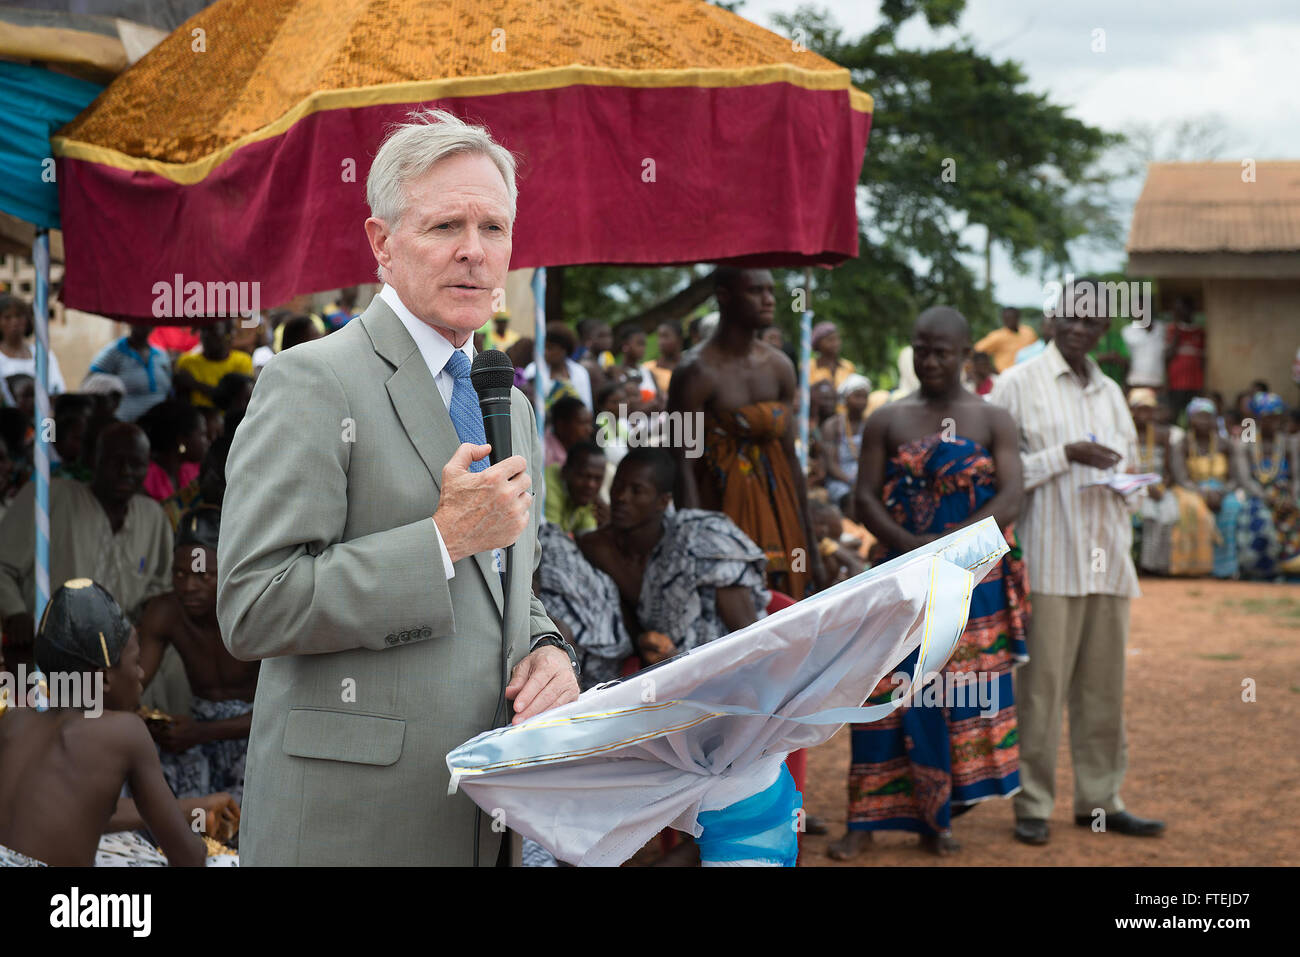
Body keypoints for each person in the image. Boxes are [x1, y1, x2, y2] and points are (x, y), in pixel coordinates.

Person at [217, 108, 579, 867]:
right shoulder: (312, 380)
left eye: (494, 230)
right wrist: (440, 540)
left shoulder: (504, 399)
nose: (476, 254)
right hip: (351, 827)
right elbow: (254, 604)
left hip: (486, 819)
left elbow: (504, 580)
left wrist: (546, 649)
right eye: (447, 226)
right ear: (382, 242)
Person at [829, 306, 1026, 859]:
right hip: (898, 577)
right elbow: (864, 497)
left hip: (971, 579)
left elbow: (1012, 495)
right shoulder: (888, 418)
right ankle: (862, 821)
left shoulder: (992, 419)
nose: (930, 360)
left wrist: (954, 546)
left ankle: (938, 819)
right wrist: (912, 548)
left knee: (949, 698)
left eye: (942, 351)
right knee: (882, 692)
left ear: (966, 355)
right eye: (921, 348)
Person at [988, 278, 1164, 846]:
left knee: (1103, 690)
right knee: (1040, 691)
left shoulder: (1110, 391)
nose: (1078, 328)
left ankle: (1102, 800)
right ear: (1051, 318)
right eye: (1070, 316)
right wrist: (1064, 456)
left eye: (1091, 321)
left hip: (1108, 559)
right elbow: (997, 471)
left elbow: (1130, 465)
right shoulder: (1016, 385)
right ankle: (1033, 805)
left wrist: (1131, 484)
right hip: (1049, 558)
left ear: (1103, 329)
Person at [0, 580, 206, 867]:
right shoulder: (125, 731)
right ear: (105, 678)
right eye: (135, 663)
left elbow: (70, 815)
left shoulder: (14, 721)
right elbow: (188, 857)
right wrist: (206, 845)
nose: (141, 673)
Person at [669, 267, 826, 599]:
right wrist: (698, 542)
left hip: (778, 504)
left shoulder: (780, 366)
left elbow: (789, 455)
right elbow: (684, 462)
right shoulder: (696, 372)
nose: (769, 300)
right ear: (724, 296)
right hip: (721, 507)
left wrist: (808, 539)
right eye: (756, 291)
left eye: (771, 290)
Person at [0, 423, 173, 671]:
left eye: (136, 463)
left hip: (121, 659)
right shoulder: (49, 496)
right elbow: (3, 565)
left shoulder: (153, 516)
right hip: (47, 650)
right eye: (115, 461)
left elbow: (160, 588)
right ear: (93, 461)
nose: (126, 471)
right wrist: (15, 612)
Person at [579, 447, 768, 663]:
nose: (622, 497)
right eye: (618, 486)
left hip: (731, 666)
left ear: (663, 501)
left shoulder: (701, 540)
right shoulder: (599, 548)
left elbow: (752, 640)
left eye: (636, 490)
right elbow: (624, 618)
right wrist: (646, 643)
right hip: (666, 671)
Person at [139, 509, 256, 803]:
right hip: (197, 728)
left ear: (227, 570)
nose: (189, 587)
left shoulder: (253, 613)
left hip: (253, 731)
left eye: (204, 575)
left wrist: (201, 732)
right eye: (180, 574)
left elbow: (275, 712)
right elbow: (132, 684)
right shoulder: (165, 612)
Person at [1170, 397, 1243, 579]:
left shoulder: (1226, 444)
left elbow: (1235, 479)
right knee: (1195, 509)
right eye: (1199, 417)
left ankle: (1226, 569)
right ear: (1190, 419)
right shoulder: (1182, 444)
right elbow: (1181, 478)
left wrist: (1222, 492)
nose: (1203, 422)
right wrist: (1201, 492)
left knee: (1232, 508)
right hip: (1191, 489)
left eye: (1208, 417)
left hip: (1222, 489)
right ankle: (1196, 566)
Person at [1232, 392, 1300, 579]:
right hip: (1257, 494)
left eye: (1278, 417)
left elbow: (1296, 476)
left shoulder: (1289, 442)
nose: (1274, 422)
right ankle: (1263, 571)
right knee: (1258, 518)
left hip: (1285, 492)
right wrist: (1267, 497)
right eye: (1269, 417)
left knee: (1295, 510)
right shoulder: (1246, 442)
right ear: (1258, 419)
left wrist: (1293, 497)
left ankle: (1292, 568)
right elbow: (1245, 479)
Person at [87, 323, 171, 422]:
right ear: (129, 323)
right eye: (139, 322)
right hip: (127, 423)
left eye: (148, 322)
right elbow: (90, 383)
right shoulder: (113, 353)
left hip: (159, 424)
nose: (145, 326)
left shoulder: (161, 355)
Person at [137, 400, 210, 503]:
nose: (208, 442)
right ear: (182, 440)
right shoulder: (146, 476)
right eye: (203, 435)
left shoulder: (193, 470)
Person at [0, 293, 65, 407]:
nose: (14, 322)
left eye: (19, 316)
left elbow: (56, 387)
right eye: (7, 317)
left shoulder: (44, 354)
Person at [820, 373, 872, 511]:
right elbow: (831, 465)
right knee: (850, 498)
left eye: (864, 397)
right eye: (857, 396)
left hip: (864, 479)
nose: (861, 401)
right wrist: (851, 481)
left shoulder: (870, 424)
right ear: (846, 398)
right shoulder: (833, 425)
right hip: (840, 481)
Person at [174, 321, 255, 407]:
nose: (206, 335)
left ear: (228, 335)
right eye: (203, 330)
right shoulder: (187, 362)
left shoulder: (242, 361)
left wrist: (194, 384)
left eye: (213, 330)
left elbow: (233, 401)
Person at [526, 322, 594, 411]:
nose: (545, 352)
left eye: (550, 348)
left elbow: (587, 405)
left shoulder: (580, 372)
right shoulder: (533, 370)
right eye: (544, 347)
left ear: (564, 349)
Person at [544, 440, 607, 536]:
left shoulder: (584, 496)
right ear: (565, 472)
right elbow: (550, 539)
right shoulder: (549, 487)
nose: (591, 485)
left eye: (598, 478)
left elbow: (587, 538)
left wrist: (609, 526)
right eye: (583, 475)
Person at [1164, 297, 1205, 414]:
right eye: (1177, 309)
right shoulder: (1171, 329)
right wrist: (1177, 331)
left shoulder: (1199, 332)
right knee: (1175, 413)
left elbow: (1203, 360)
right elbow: (1168, 356)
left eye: (1182, 308)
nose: (1179, 312)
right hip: (1176, 382)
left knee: (1195, 413)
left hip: (1195, 382)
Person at [975, 306, 1038, 373]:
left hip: (1027, 373)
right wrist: (991, 370)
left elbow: (1037, 350)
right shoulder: (997, 336)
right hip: (1005, 376)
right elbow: (977, 351)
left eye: (1012, 318)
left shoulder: (1029, 332)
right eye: (1006, 318)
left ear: (1018, 318)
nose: (1009, 321)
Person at [544, 395, 593, 468]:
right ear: (561, 425)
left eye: (590, 423)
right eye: (582, 423)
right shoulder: (545, 454)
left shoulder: (581, 450)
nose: (589, 429)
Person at [1121, 316, 1167, 392]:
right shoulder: (1127, 331)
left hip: (1158, 384)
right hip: (1135, 384)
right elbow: (1125, 360)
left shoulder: (1161, 328)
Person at [808, 322, 857, 392]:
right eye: (830, 340)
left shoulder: (848, 366)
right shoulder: (808, 366)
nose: (835, 343)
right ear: (818, 343)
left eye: (837, 339)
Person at [643, 321, 683, 395]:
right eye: (659, 337)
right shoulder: (647, 368)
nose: (661, 342)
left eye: (665, 336)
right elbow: (623, 404)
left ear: (679, 339)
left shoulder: (690, 365)